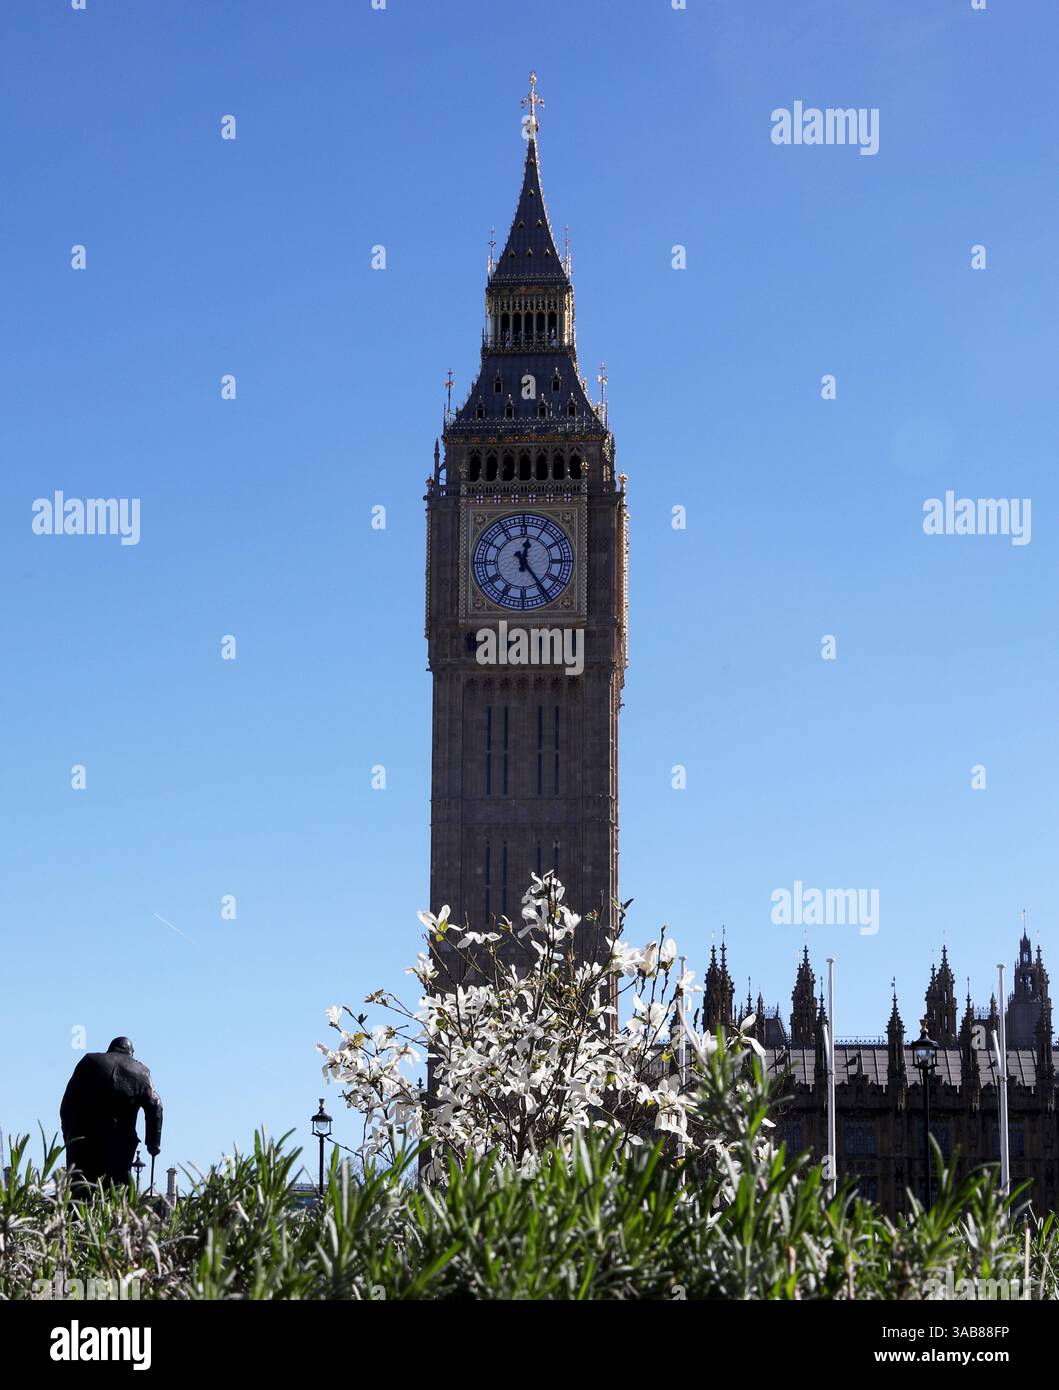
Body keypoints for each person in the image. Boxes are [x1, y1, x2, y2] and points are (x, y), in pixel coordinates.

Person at [60, 1037, 163, 1190]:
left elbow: (67, 1104)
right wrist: (153, 1144)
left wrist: (69, 1136)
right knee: (117, 1192)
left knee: (80, 1192)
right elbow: (156, 1106)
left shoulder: (89, 1061)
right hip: (120, 1146)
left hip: (83, 1143)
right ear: (131, 1053)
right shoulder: (141, 1072)